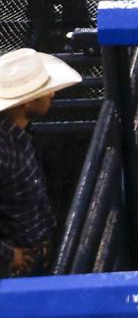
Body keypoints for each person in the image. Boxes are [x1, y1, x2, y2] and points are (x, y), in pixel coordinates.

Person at [0, 49, 83, 277]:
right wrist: (8, 255)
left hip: (32, 252)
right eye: (45, 91)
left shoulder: (18, 136)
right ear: (27, 102)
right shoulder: (5, 150)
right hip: (16, 265)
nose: (53, 94)